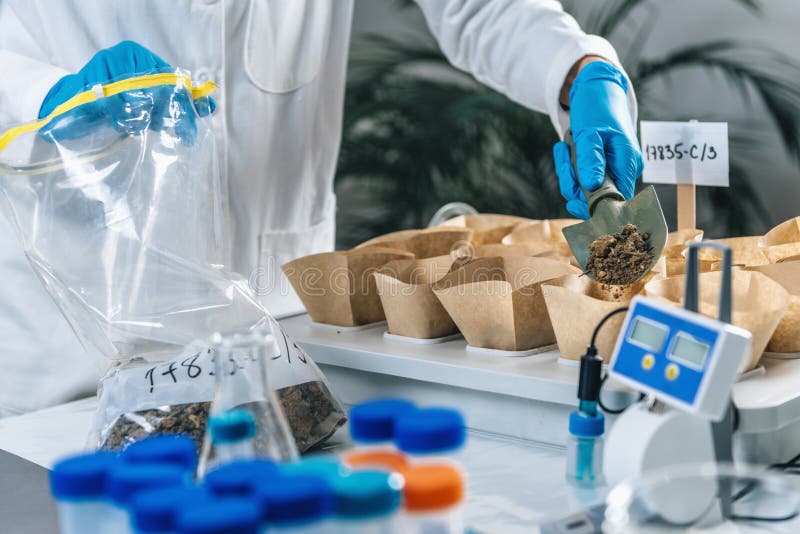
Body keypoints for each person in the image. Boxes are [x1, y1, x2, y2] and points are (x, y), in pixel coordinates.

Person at [0, 0, 642, 417]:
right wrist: (42, 96)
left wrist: (577, 69)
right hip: (73, 348)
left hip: (274, 339)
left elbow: (480, 8)